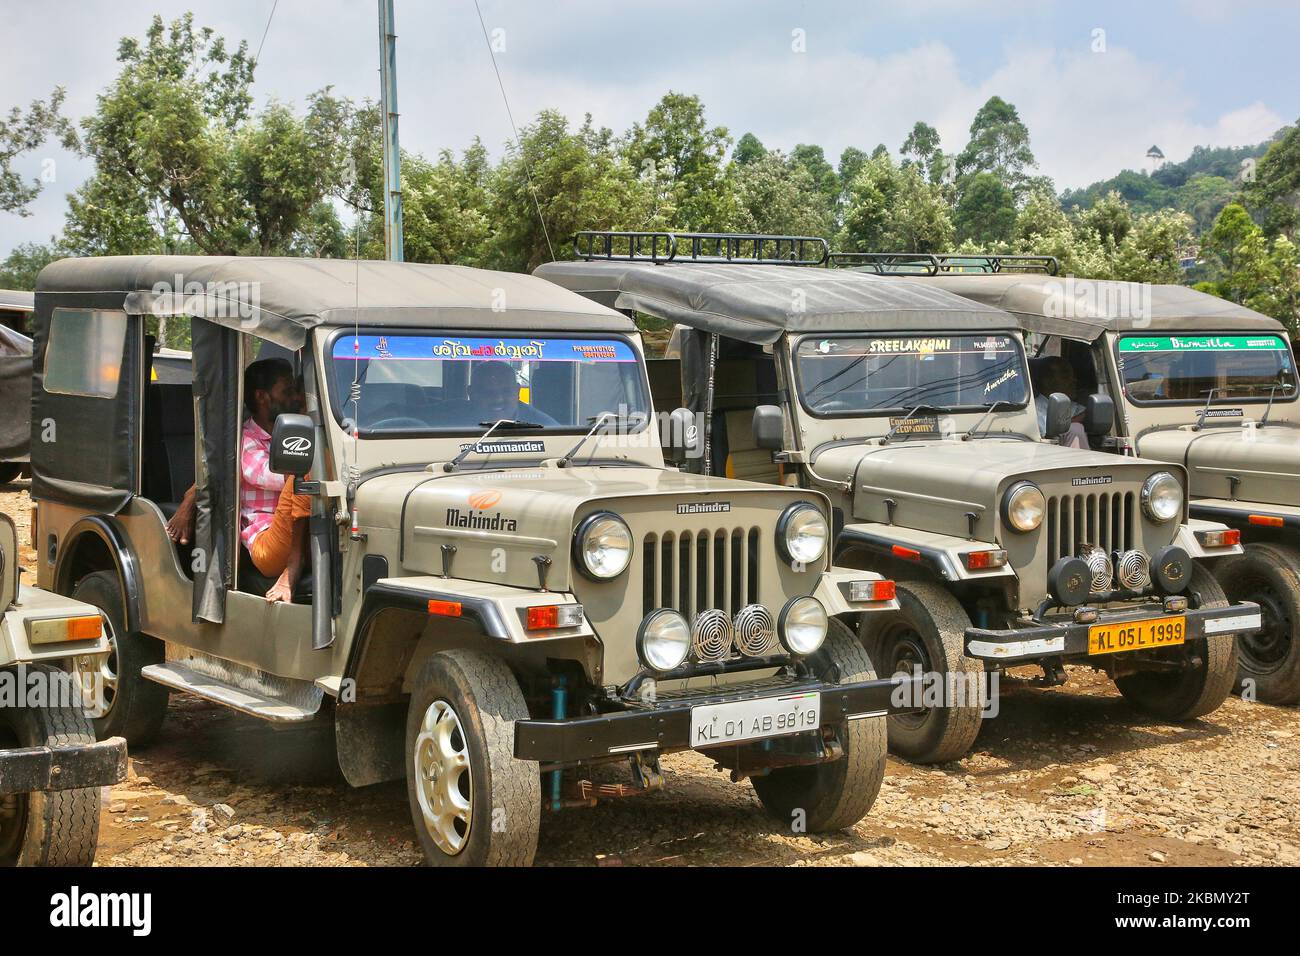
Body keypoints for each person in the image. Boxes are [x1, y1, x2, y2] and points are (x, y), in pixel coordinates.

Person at [165, 357, 311, 603]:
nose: (295, 399)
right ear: (262, 397)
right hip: (267, 541)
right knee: (306, 469)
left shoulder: (289, 434)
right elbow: (281, 476)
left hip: (302, 528)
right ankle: (292, 570)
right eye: (287, 392)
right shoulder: (246, 442)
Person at [466, 360, 559, 426]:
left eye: (506, 391)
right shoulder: (453, 422)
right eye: (488, 393)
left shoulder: (544, 427)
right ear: (471, 394)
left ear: (518, 391)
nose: (498, 399)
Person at [1034, 356, 1089, 449]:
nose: (1073, 380)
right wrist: (1078, 419)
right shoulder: (1035, 409)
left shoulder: (1071, 405)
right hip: (1051, 457)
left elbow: (1085, 413)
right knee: (1075, 429)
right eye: (1065, 376)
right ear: (1047, 381)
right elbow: (1047, 435)